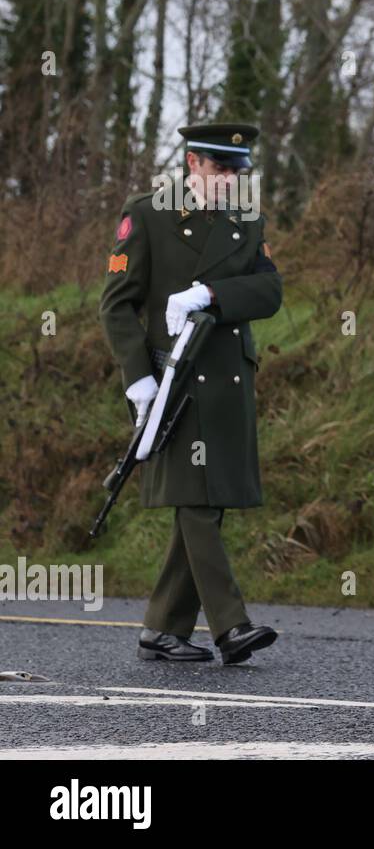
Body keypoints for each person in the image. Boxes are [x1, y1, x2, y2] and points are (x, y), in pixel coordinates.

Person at [100, 123, 281, 665]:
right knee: (196, 504)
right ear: (194, 164)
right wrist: (138, 381)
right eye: (221, 169)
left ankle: (162, 628)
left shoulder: (246, 220)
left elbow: (270, 291)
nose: (230, 181)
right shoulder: (148, 214)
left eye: (237, 171)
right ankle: (232, 626)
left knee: (208, 502)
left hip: (225, 379)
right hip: (170, 382)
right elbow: (115, 304)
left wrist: (211, 293)